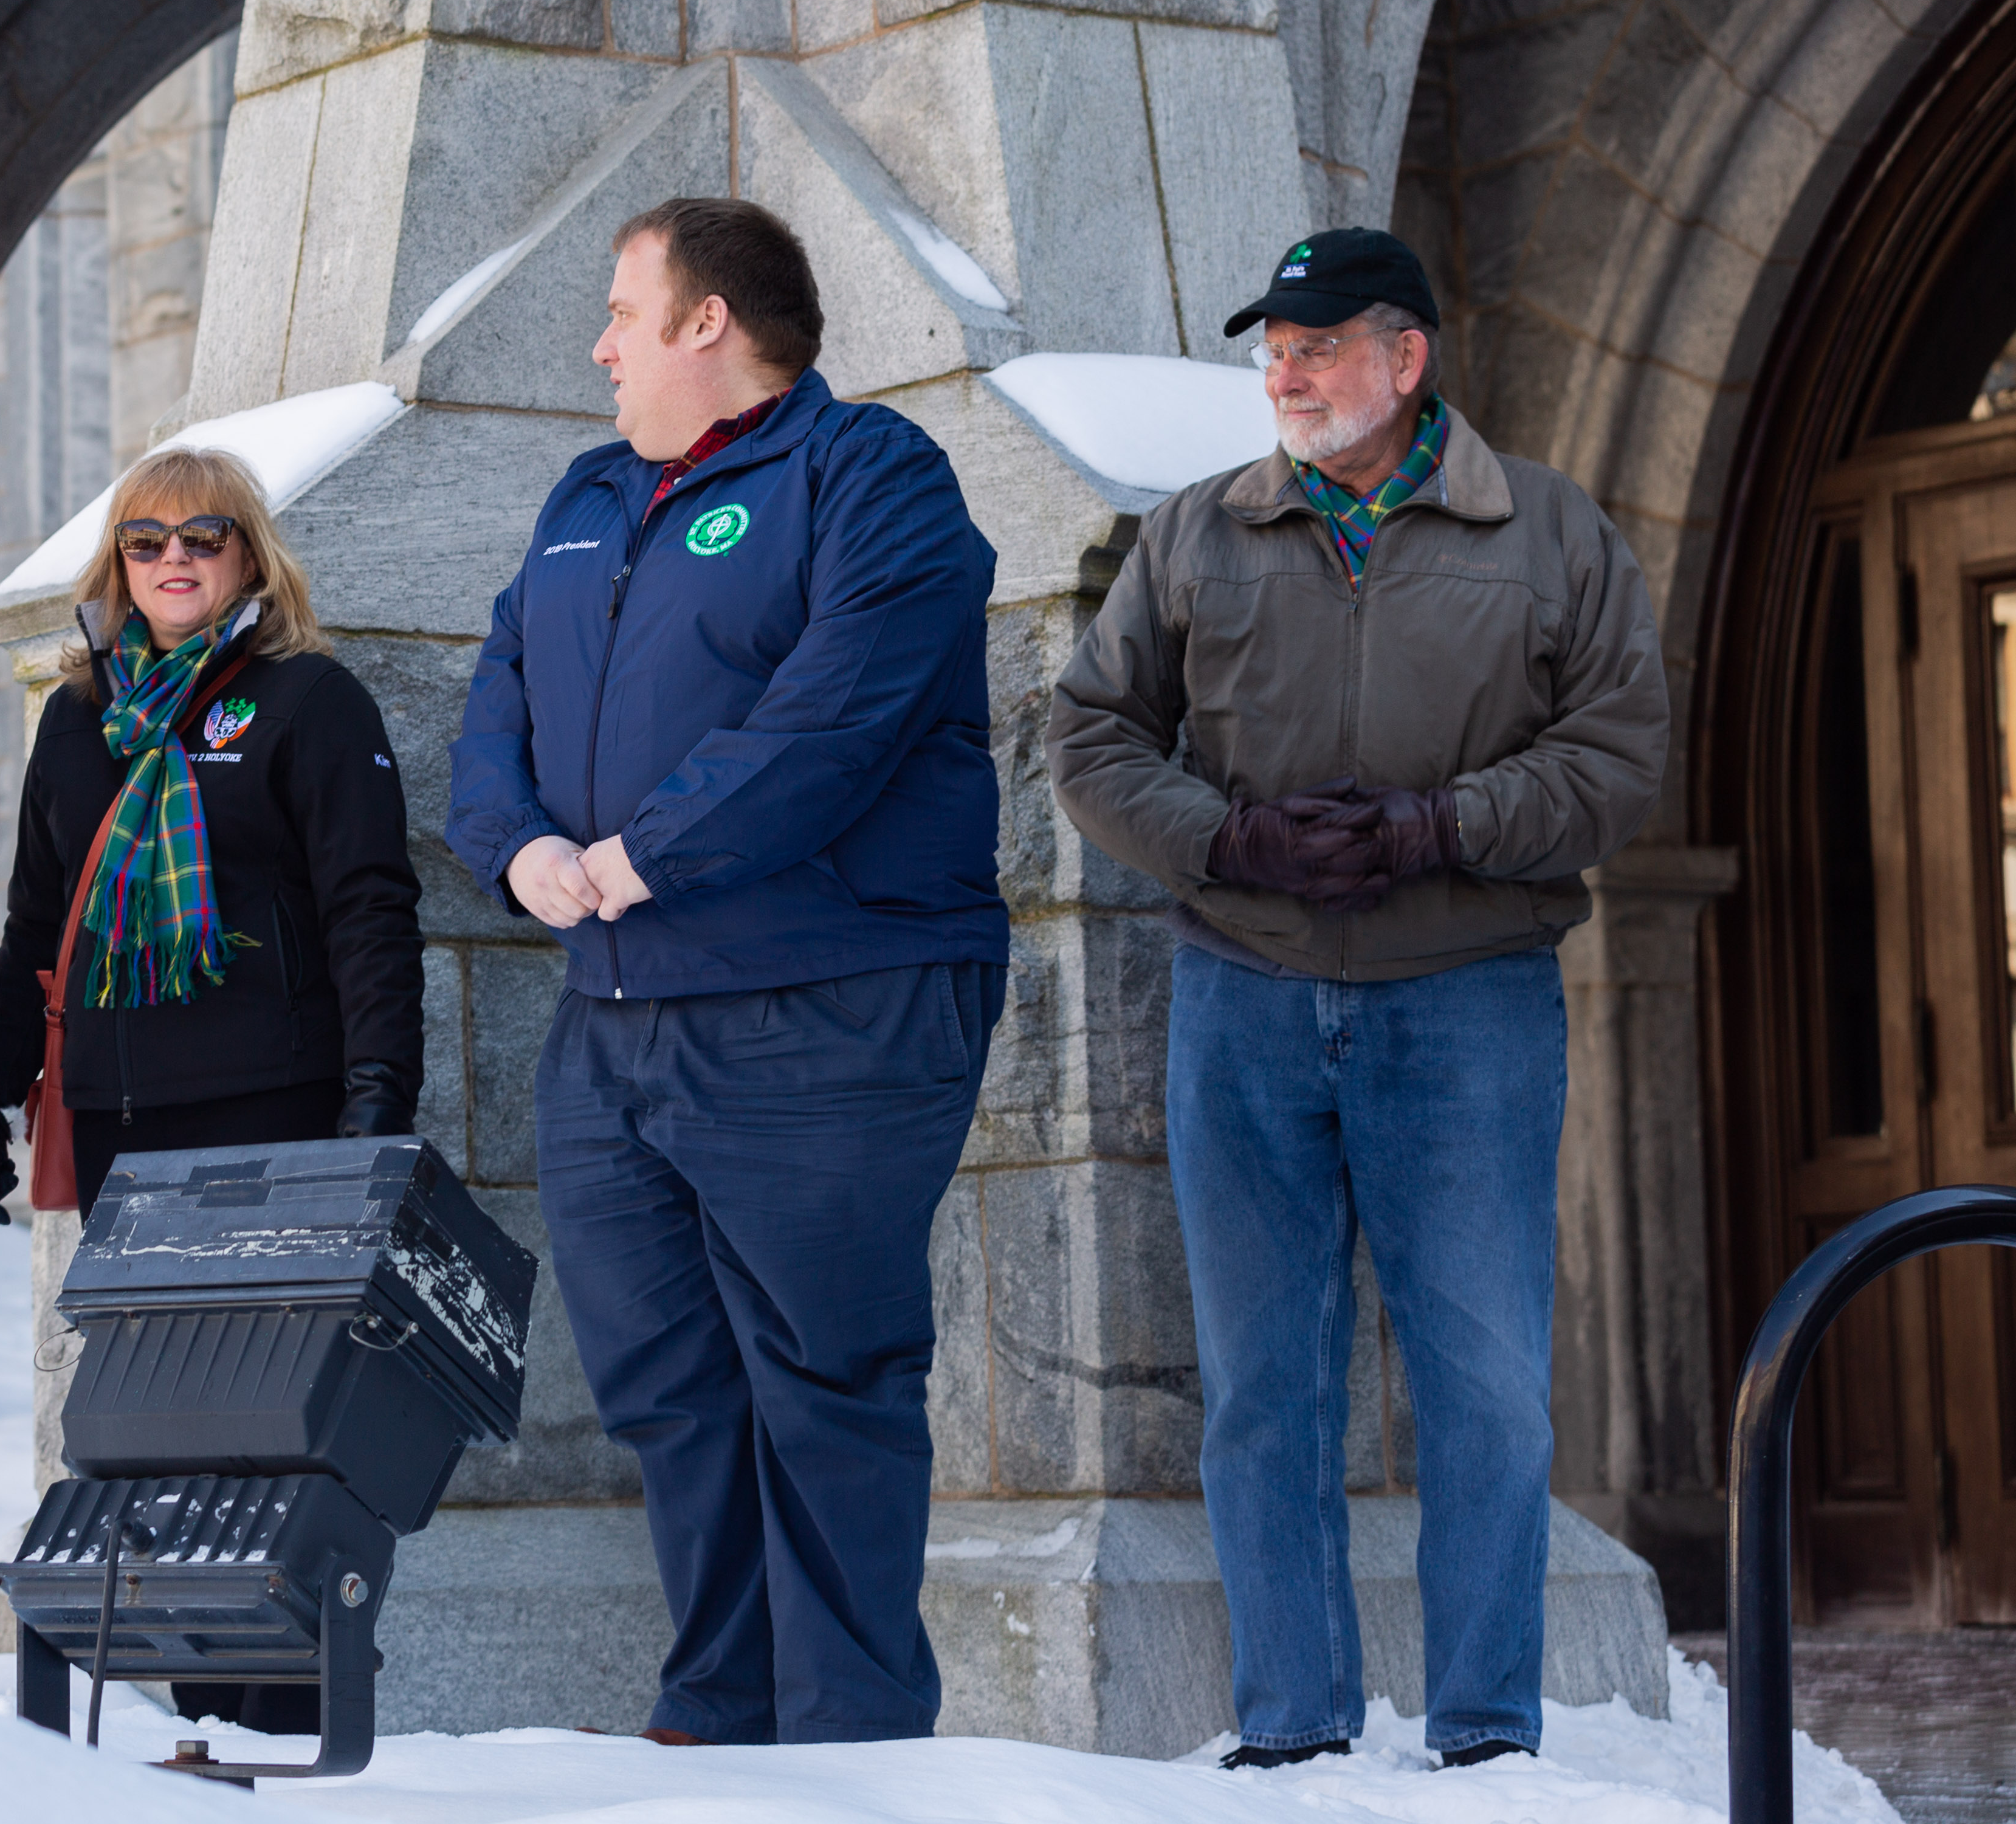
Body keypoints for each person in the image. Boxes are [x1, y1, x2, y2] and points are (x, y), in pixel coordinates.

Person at [1044, 229, 1667, 1770]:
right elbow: (1086, 733)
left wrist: (1436, 825)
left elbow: (1612, 757)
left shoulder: (1549, 531)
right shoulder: (1195, 531)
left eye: (1320, 342)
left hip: (1462, 1002)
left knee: (1484, 1386)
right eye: (1273, 344)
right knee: (1261, 1386)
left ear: (1407, 358)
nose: (1286, 368)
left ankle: (1480, 1731)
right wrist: (1221, 836)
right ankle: (1289, 1722)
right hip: (1242, 998)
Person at [446, 197, 1008, 1747]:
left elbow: (833, 718)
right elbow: (493, 700)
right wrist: (512, 850)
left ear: (709, 323)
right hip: (612, 1018)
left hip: (825, 999)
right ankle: (719, 1707)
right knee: (665, 1386)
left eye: (622, 310)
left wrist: (638, 854)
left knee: (822, 1377)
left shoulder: (869, 475)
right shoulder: (582, 496)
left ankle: (849, 1737)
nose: (598, 342)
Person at [0, 445, 423, 1224]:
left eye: (204, 535)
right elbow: (40, 926)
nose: (172, 554)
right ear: (121, 565)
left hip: (271, 1100)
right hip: (119, 1113)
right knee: (143, 1348)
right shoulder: (77, 718)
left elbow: (368, 911)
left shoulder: (310, 698)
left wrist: (380, 1090)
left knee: (269, 1345)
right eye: (144, 539)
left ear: (248, 559)